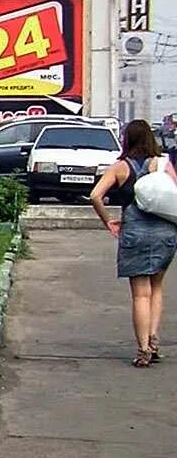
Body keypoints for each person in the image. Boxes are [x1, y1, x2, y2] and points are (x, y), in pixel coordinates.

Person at [90, 120, 177, 367]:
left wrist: (108, 221)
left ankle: (143, 350)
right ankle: (153, 340)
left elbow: (96, 195)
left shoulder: (120, 167)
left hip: (134, 231)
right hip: (165, 231)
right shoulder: (163, 164)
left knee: (140, 294)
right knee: (156, 288)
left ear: (127, 140)